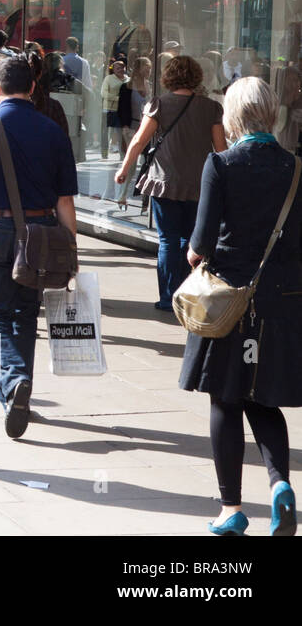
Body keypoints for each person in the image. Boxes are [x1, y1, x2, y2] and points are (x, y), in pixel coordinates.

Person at [178, 77, 300, 536]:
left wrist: (195, 255)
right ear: (272, 113)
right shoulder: (296, 168)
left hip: (228, 303)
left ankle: (231, 510)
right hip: (283, 303)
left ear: (232, 116)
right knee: (264, 398)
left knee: (226, 400)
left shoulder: (221, 164)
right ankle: (280, 487)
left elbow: (199, 246)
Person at [0, 56, 78, 439]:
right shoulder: (53, 131)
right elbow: (65, 202)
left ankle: (14, 381)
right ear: (34, 88)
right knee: (24, 315)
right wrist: (70, 247)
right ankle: (18, 392)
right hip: (40, 233)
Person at [114, 56, 226, 312]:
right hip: (199, 185)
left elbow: (139, 141)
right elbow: (221, 150)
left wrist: (124, 169)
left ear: (169, 77)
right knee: (190, 241)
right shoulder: (211, 108)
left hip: (164, 182)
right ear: (196, 77)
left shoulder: (159, 104)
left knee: (167, 240)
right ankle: (188, 294)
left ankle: (167, 298)